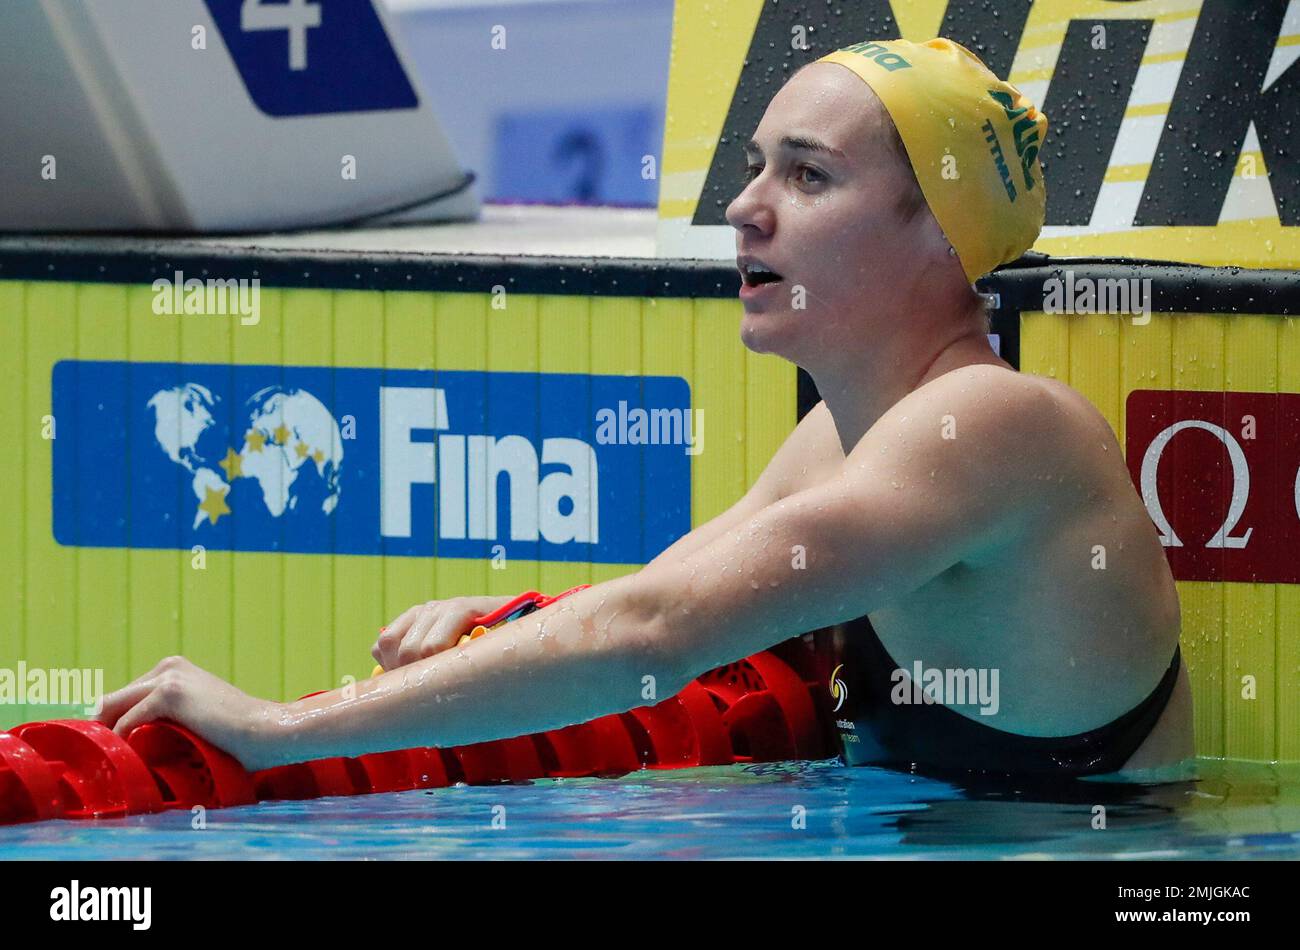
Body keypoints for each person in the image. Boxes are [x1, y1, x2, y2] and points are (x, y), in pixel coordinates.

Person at [97, 38, 1191, 778]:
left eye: (807, 177)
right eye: (755, 166)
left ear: (941, 233)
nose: (744, 207)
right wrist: (505, 620)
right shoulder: (837, 434)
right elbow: (662, 595)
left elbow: (652, 634)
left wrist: (279, 732)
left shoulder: (997, 427)